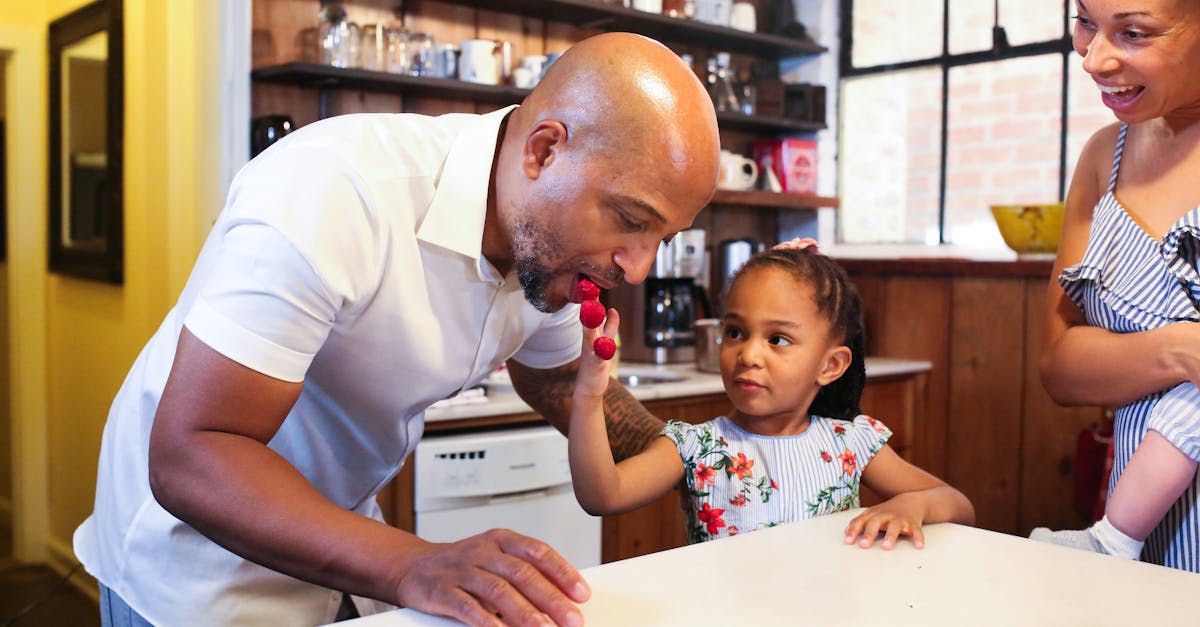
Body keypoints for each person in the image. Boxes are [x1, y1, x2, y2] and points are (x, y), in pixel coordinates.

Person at [72, 32, 722, 626]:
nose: (638, 269)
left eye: (662, 237)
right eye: (632, 220)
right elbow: (193, 454)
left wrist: (713, 461)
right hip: (192, 564)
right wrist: (412, 563)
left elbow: (554, 375)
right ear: (545, 150)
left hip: (339, 531)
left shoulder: (546, 247)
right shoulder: (333, 190)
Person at [568, 240, 974, 548]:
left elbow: (959, 505)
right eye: (735, 332)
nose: (748, 354)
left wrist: (911, 506)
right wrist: (588, 395)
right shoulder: (696, 446)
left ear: (830, 365)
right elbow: (603, 495)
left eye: (777, 338)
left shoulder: (851, 443)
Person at [1030, 0, 1200, 572]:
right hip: (1136, 541)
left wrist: (1129, 356)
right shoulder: (1106, 156)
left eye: (1132, 32)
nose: (1094, 59)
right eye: (1085, 23)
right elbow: (1060, 364)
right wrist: (1183, 350)